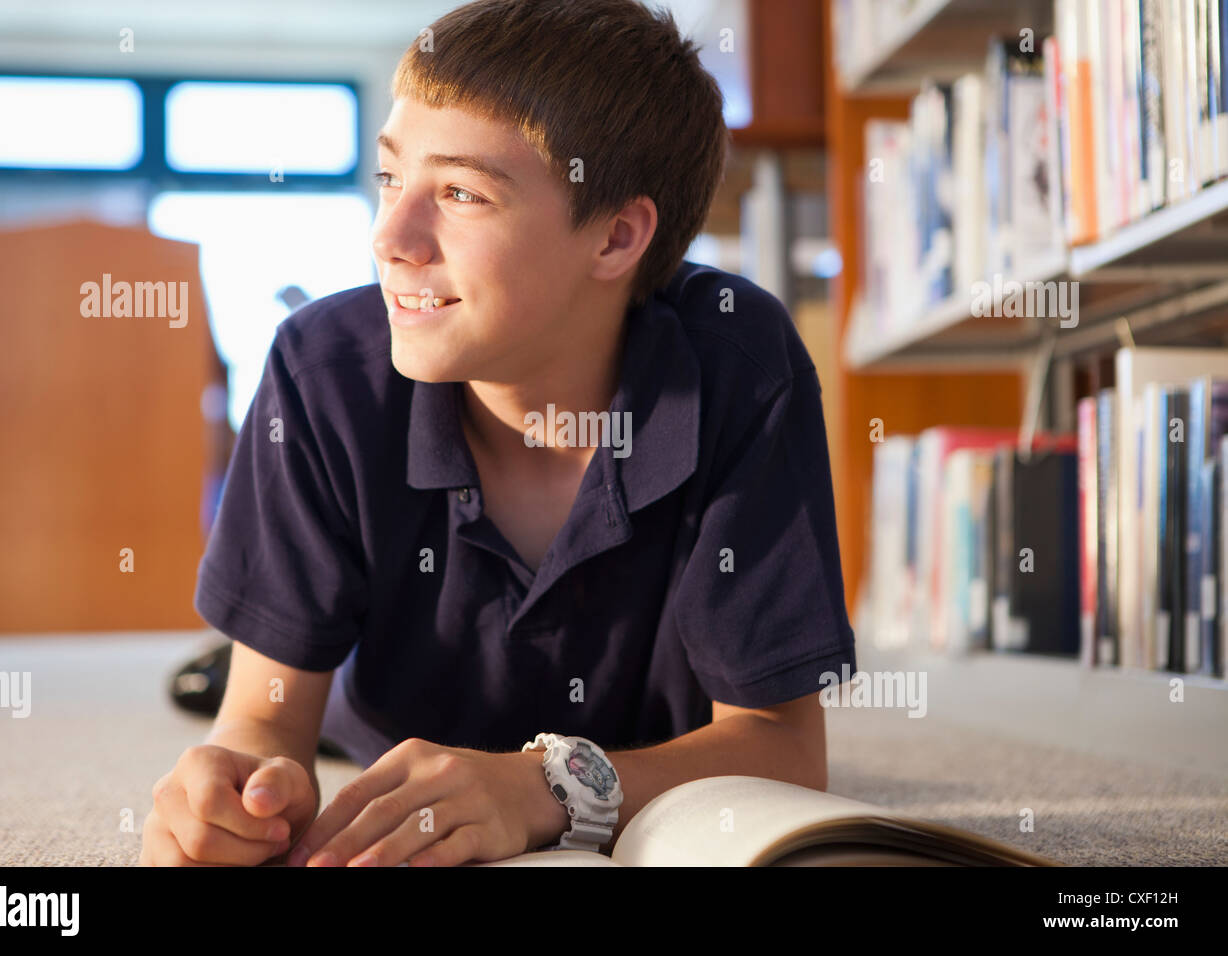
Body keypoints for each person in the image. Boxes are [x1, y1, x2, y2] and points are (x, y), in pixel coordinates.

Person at [140, 0, 855, 868]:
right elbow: (265, 720)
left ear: (618, 236)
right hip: (384, 713)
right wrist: (244, 786)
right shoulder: (319, 368)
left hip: (623, 737)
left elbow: (784, 747)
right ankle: (254, 635)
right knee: (289, 690)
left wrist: (545, 786)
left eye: (461, 194)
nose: (390, 238)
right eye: (389, 180)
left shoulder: (741, 366)